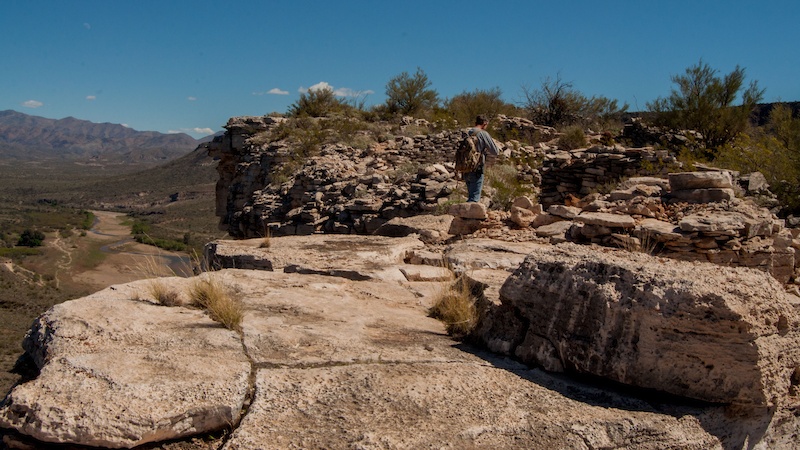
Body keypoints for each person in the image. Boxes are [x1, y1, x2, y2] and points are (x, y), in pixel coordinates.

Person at [464, 115, 500, 202]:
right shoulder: (483, 133)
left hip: (465, 165)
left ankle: (465, 213)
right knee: (475, 196)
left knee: (470, 193)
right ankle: (471, 214)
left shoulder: (467, 132)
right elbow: (495, 151)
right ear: (484, 123)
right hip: (477, 166)